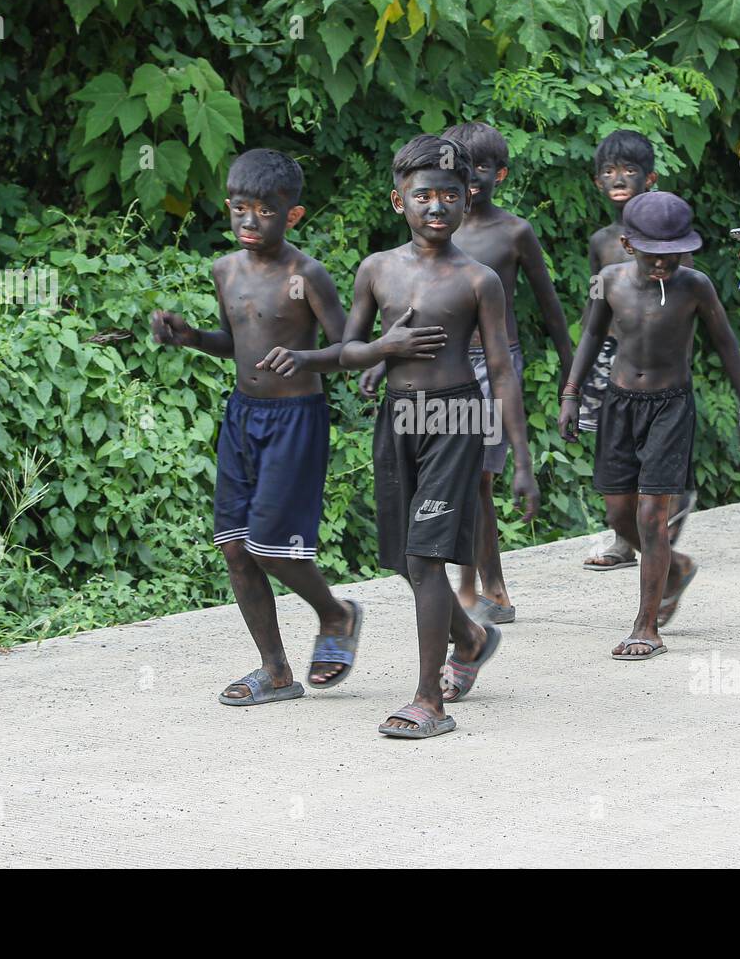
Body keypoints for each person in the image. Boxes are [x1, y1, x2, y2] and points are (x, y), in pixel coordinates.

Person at [149, 148, 439, 706]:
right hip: (242, 416)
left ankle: (335, 613)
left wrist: (358, 358)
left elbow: (346, 346)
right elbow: (234, 344)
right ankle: (275, 670)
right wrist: (189, 337)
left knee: (272, 547)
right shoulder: (224, 271)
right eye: (239, 209)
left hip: (295, 420)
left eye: (264, 211)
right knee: (236, 548)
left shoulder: (307, 276)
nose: (249, 222)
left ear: (293, 216)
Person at [339, 134, 539, 738]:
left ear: (467, 198)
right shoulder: (377, 269)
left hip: (457, 419)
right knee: (406, 558)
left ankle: (429, 700)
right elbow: (349, 349)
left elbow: (501, 368)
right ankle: (472, 637)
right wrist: (382, 349)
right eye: (422, 195)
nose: (436, 206)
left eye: (449, 195)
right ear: (397, 200)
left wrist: (522, 461)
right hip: (399, 419)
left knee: (426, 559)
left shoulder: (479, 279)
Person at [358, 121, 572, 627]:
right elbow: (408, 316)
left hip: (493, 365)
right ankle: (462, 586)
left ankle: (488, 585)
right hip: (432, 366)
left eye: (475, 170)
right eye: (458, 168)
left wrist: (571, 378)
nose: (466, 180)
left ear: (497, 173)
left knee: (478, 476)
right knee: (456, 483)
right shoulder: (421, 235)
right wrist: (382, 357)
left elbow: (549, 306)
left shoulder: (511, 233)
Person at [560, 192, 740, 658]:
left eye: (676, 254)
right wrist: (571, 393)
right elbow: (590, 334)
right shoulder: (607, 281)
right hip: (619, 402)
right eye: (655, 255)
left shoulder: (696, 286)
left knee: (653, 516)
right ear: (628, 244)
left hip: (670, 405)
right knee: (618, 513)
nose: (666, 264)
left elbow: (727, 344)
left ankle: (646, 626)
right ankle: (676, 567)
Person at [579, 130, 701, 623]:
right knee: (612, 462)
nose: (617, 179)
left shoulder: (671, 237)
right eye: (608, 171)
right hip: (612, 355)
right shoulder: (601, 244)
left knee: (659, 469)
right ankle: (626, 537)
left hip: (663, 367)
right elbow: (593, 309)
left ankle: (657, 537)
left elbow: (682, 311)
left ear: (649, 178)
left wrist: (679, 372)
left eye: (628, 170)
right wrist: (579, 378)